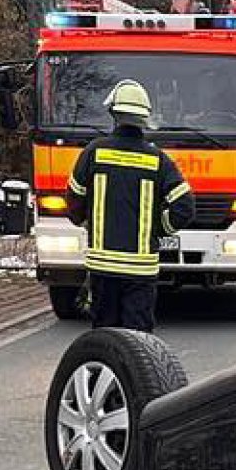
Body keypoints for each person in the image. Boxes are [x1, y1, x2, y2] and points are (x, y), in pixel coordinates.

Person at [65, 78, 191, 332]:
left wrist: (87, 221)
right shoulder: (158, 160)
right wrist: (157, 228)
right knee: (138, 341)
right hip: (140, 270)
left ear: (113, 113)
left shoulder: (93, 152)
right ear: (144, 118)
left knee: (105, 337)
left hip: (102, 266)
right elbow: (184, 207)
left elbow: (74, 200)